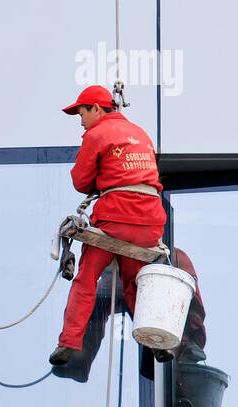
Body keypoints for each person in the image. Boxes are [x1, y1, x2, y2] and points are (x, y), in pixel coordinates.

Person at [50, 85, 167, 366]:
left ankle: (69, 343)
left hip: (116, 218)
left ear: (97, 109)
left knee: (86, 278)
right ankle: (156, 343)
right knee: (135, 284)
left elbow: (80, 182)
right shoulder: (141, 134)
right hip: (150, 223)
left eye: (82, 113)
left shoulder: (97, 134)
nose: (81, 121)